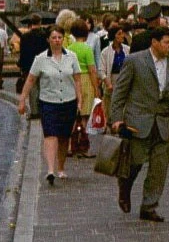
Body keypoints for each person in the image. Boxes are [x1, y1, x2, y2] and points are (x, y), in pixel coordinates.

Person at [111, 26, 169, 222]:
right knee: (135, 163)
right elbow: (119, 93)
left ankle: (149, 206)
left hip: (164, 123)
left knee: (159, 168)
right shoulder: (134, 61)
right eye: (166, 42)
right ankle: (125, 186)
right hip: (138, 122)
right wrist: (116, 119)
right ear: (154, 42)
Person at [18, 26, 83, 186]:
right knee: (50, 134)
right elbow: (31, 80)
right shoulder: (40, 59)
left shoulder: (72, 57)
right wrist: (22, 99)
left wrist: (80, 100)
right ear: (48, 40)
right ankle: (50, 170)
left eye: (59, 37)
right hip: (48, 102)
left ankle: (61, 167)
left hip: (68, 101)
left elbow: (77, 79)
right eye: (53, 38)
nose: (57, 40)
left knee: (64, 136)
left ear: (63, 39)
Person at [67, 19, 102, 157]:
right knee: (85, 116)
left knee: (74, 115)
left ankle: (71, 145)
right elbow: (92, 70)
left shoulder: (69, 49)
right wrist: (96, 88)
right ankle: (83, 144)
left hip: (73, 81)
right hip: (86, 80)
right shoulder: (87, 49)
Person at [18, 14, 49, 119]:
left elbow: (23, 53)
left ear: (30, 23)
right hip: (44, 65)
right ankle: (43, 109)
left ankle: (35, 112)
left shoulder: (25, 36)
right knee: (43, 88)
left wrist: (22, 67)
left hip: (30, 66)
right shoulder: (45, 36)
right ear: (40, 22)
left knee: (33, 89)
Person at [99, 25, 129, 127]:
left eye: (122, 33)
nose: (122, 36)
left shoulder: (127, 49)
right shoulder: (106, 52)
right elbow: (101, 70)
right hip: (112, 79)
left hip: (124, 79)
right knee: (111, 106)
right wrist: (108, 84)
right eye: (119, 34)